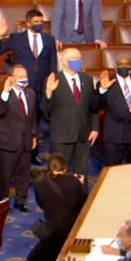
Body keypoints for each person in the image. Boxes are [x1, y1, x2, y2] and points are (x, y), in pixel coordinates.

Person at [0, 10, 58, 163]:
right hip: (21, 87)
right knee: (21, 120)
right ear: (28, 23)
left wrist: (51, 79)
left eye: (41, 21)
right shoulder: (17, 38)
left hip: (41, 87)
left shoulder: (49, 39)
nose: (39, 24)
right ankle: (15, 153)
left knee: (36, 122)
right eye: (35, 22)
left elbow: (53, 61)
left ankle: (33, 154)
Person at [24, 154, 86, 261]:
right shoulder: (73, 181)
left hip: (52, 226)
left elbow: (41, 204)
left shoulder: (39, 183)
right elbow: (83, 203)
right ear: (65, 168)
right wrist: (81, 185)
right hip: (72, 226)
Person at [44, 47, 98, 177]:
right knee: (59, 173)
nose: (78, 61)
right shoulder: (54, 80)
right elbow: (46, 109)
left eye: (79, 58)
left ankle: (82, 196)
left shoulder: (87, 79)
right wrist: (49, 92)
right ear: (64, 61)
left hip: (83, 133)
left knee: (82, 171)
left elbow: (93, 106)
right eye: (74, 59)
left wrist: (95, 128)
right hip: (62, 135)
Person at [0, 65, 39, 212]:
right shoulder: (3, 95)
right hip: (8, 141)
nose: (24, 79)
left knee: (24, 173)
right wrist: (6, 91)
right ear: (11, 78)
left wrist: (34, 135)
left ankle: (21, 200)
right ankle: (4, 200)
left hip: (25, 140)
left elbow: (32, 118)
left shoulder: (31, 94)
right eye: (20, 76)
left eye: (25, 76)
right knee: (6, 174)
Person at [95, 55, 131, 166]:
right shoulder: (106, 82)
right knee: (113, 170)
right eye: (121, 64)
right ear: (115, 67)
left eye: (127, 64)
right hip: (115, 135)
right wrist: (103, 89)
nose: (124, 66)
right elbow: (96, 106)